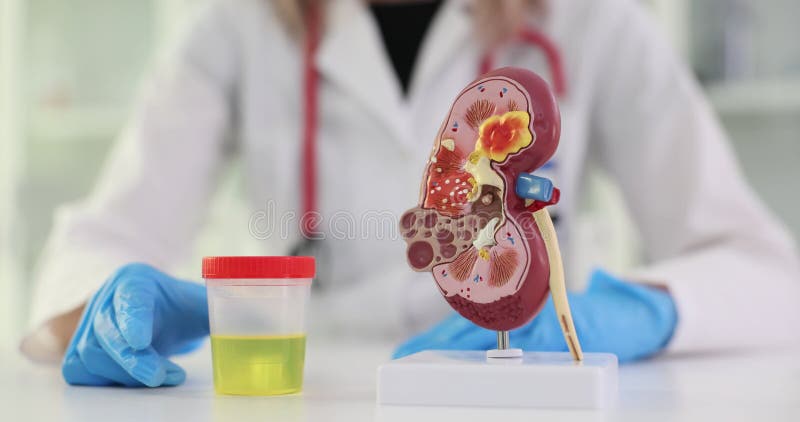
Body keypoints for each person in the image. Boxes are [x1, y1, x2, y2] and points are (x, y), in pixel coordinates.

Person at [21, 0, 800, 388]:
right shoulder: (236, 26)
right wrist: (107, 306)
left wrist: (638, 310)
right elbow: (102, 236)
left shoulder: (594, 21)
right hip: (304, 393)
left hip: (521, 395)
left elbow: (768, 274)